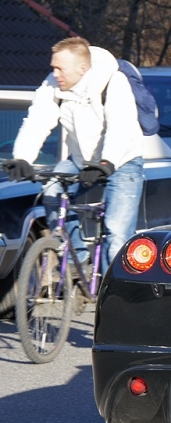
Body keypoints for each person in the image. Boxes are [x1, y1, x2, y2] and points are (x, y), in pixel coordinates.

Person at [2, 37, 144, 274]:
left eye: (60, 68)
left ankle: (111, 290)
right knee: (52, 191)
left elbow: (121, 128)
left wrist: (106, 163)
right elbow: (37, 121)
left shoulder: (113, 81)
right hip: (80, 160)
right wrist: (23, 157)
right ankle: (76, 261)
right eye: (53, 67)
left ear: (82, 68)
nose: (55, 73)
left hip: (122, 161)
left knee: (117, 231)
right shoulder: (53, 84)